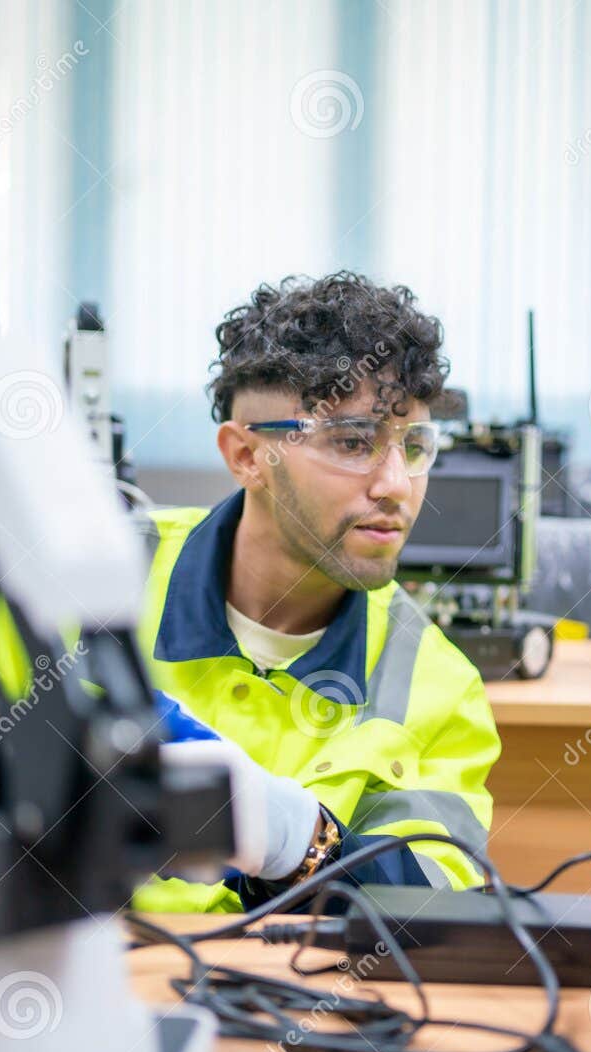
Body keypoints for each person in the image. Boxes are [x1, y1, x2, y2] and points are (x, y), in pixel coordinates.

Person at [131, 272, 499, 912]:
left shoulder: (439, 685)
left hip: (293, 1008)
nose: (396, 485)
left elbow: (434, 920)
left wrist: (301, 843)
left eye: (414, 446)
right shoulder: (93, 583)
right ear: (247, 456)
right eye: (354, 442)